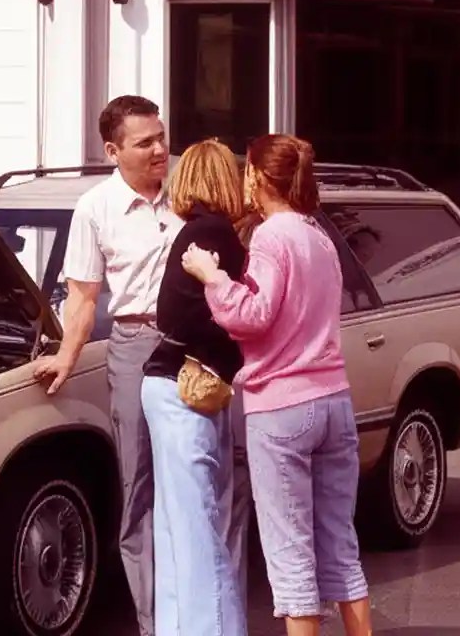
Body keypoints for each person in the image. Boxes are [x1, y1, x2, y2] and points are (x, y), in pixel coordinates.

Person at [181, 134, 373, 636]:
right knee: (340, 544)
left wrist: (212, 278)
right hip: (333, 399)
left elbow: (254, 315)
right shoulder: (321, 237)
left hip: (282, 406)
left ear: (259, 179)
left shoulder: (271, 237)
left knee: (290, 555)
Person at [33, 94, 180, 636]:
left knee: (207, 480)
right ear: (114, 150)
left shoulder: (189, 193)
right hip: (137, 345)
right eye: (146, 142)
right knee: (139, 484)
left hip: (198, 347)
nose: (161, 148)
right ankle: (154, 623)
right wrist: (66, 358)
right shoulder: (94, 209)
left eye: (162, 136)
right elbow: (83, 298)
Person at [140, 138, 250, 636]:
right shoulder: (215, 233)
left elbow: (169, 313)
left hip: (163, 386)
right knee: (203, 532)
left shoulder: (191, 229)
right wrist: (233, 337)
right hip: (186, 389)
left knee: (177, 528)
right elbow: (182, 315)